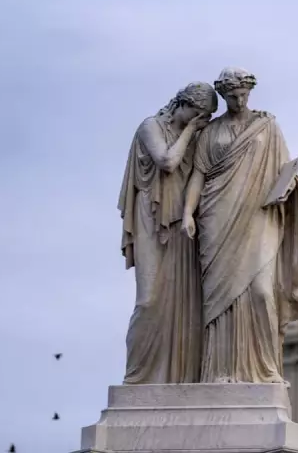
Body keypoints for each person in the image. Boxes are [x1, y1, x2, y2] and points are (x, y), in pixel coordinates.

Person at [182, 67, 298, 384]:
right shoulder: (211, 133)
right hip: (217, 216)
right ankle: (220, 371)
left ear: (250, 93)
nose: (238, 101)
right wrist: (187, 213)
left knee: (261, 292)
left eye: (242, 95)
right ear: (223, 96)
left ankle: (266, 369)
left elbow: (285, 172)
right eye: (231, 96)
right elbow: (198, 175)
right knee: (219, 300)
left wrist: (288, 188)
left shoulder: (267, 127)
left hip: (259, 216)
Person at [118, 82, 218, 384]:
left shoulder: (198, 137)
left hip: (182, 223)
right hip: (151, 216)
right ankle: (137, 376)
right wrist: (190, 130)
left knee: (184, 306)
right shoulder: (151, 126)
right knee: (148, 301)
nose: (201, 122)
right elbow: (167, 162)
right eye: (198, 114)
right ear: (183, 104)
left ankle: (177, 377)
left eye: (206, 118)